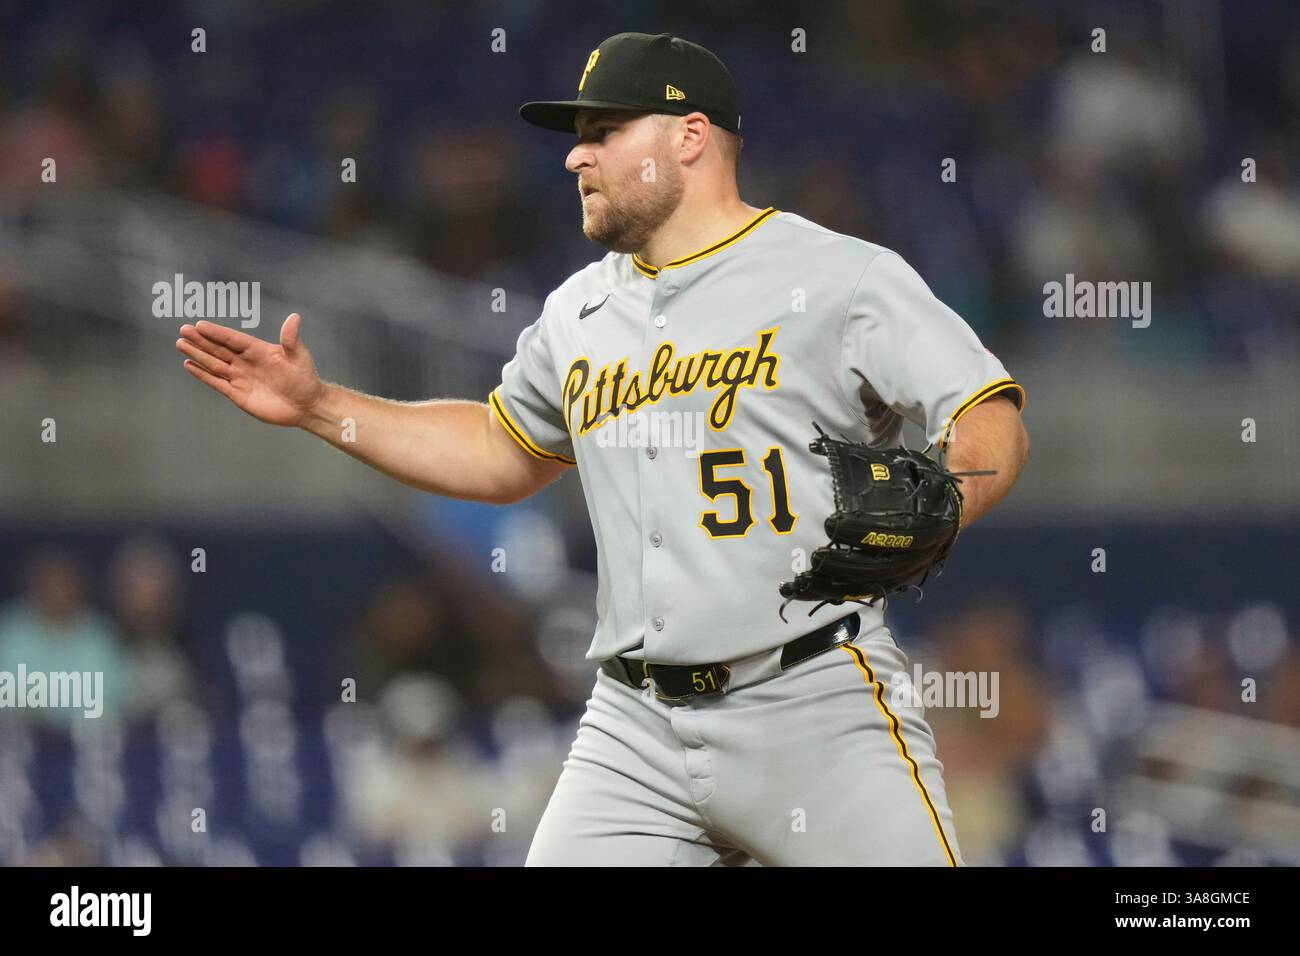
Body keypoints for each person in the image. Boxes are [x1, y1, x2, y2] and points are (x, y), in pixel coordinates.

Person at [176, 32, 1029, 866]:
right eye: (577, 140)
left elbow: (987, 412)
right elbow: (501, 452)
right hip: (636, 722)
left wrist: (949, 497)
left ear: (689, 137)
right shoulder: (577, 312)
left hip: (813, 699)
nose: (574, 160)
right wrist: (323, 407)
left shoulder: (840, 277)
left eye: (603, 134)